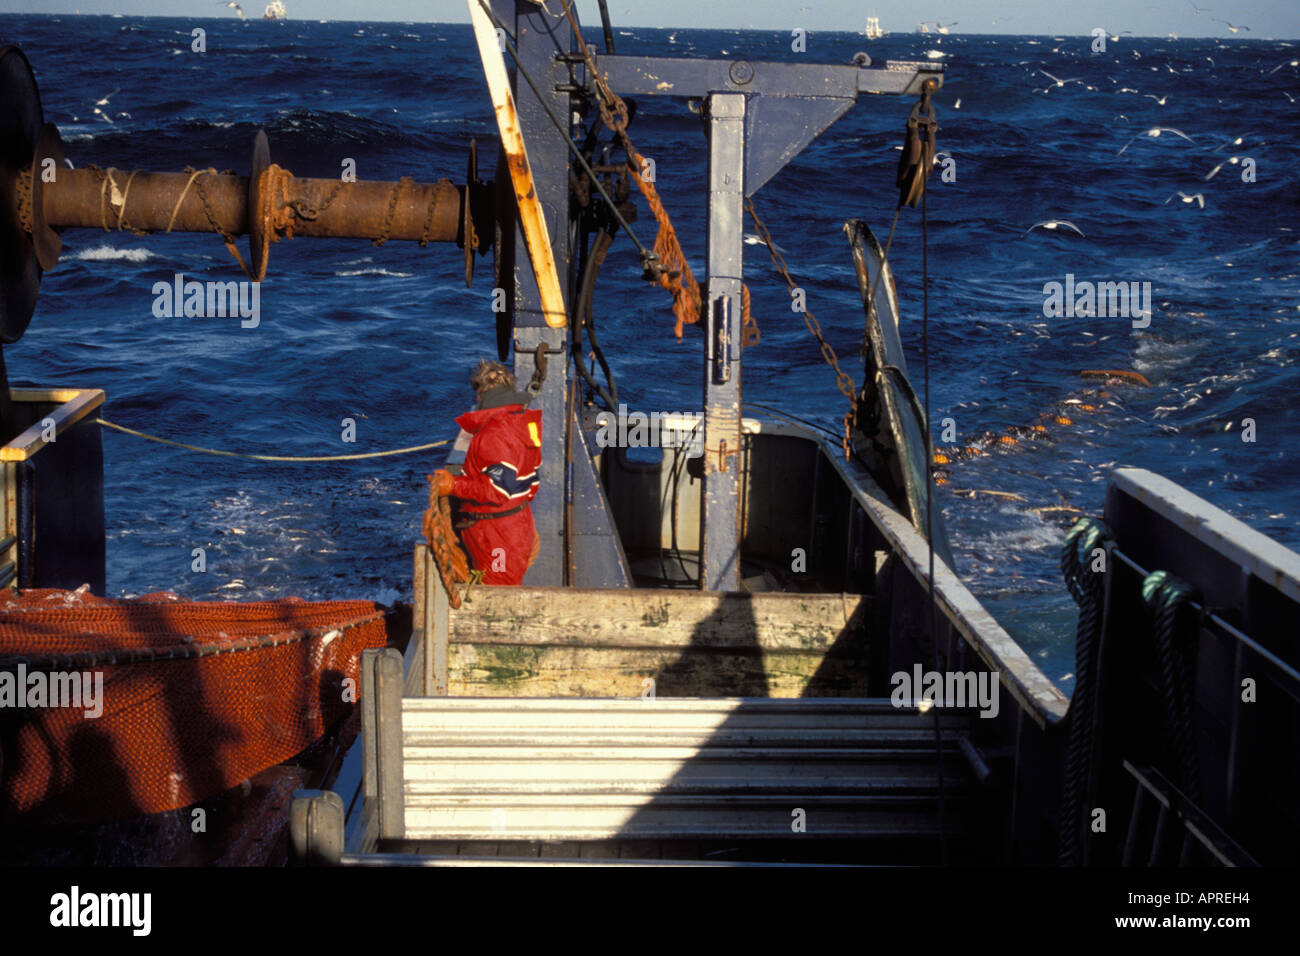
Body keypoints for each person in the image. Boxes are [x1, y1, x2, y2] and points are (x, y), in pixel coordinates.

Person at [429, 360, 542, 585]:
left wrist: (453, 486)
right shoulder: (521, 424)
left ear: (480, 394)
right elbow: (529, 485)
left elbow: (497, 490)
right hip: (517, 526)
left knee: (497, 597)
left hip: (497, 538)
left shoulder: (495, 433)